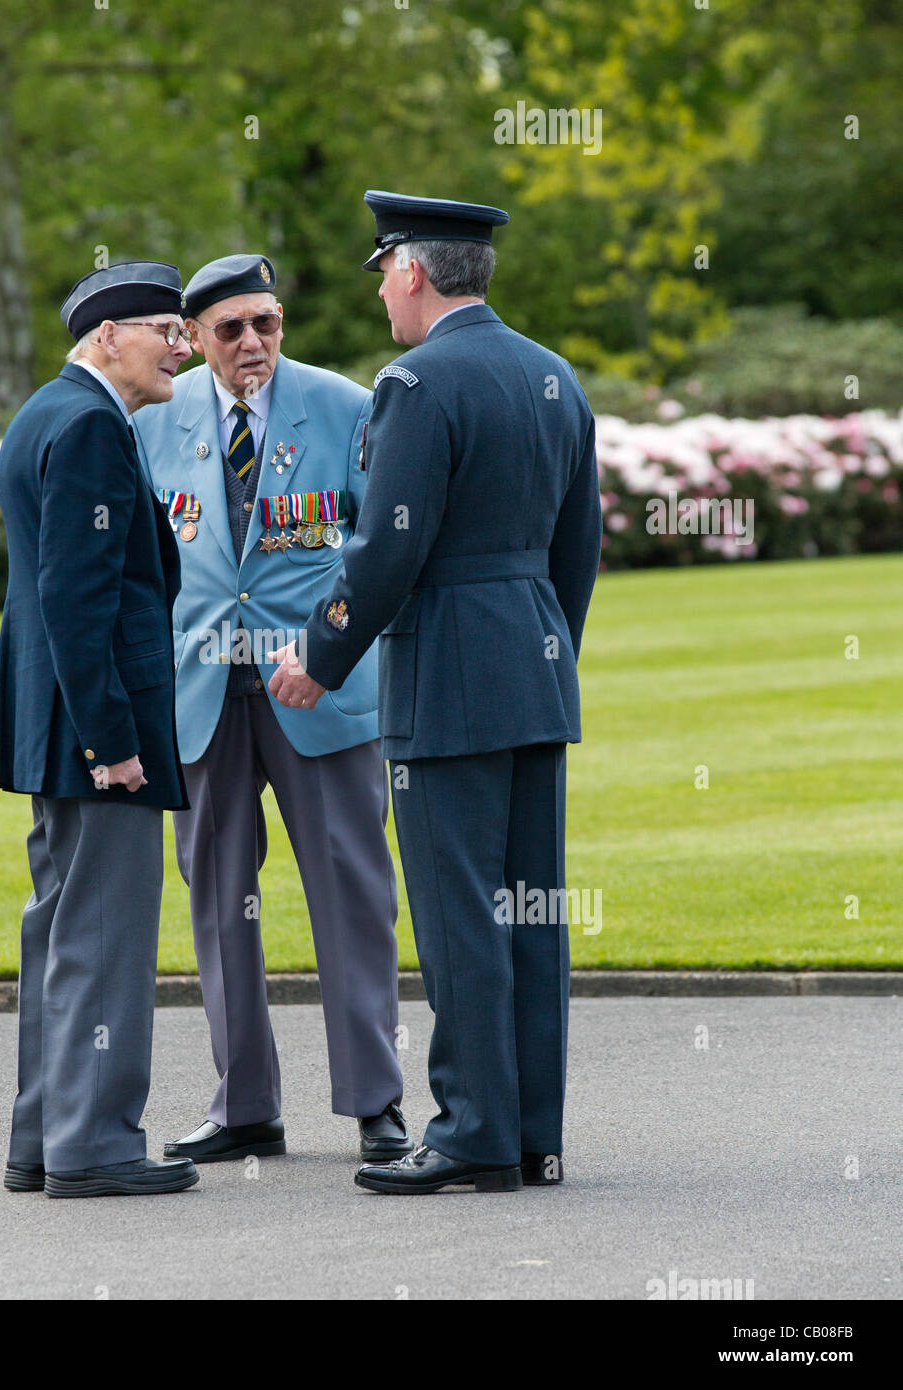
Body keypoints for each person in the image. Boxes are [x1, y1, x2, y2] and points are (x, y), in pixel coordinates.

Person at [270, 192, 602, 1194]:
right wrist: (545, 649)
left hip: (449, 682)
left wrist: (321, 654)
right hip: (532, 672)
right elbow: (575, 548)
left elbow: (387, 546)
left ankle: (469, 1134)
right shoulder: (554, 375)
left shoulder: (414, 382)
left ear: (412, 269)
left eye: (381, 268)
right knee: (529, 911)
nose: (378, 287)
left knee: (459, 914)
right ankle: (529, 1133)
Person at [132, 254, 411, 1165]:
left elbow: (379, 552)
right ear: (192, 339)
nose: (253, 343)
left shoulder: (344, 405)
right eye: (230, 330)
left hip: (316, 692)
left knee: (353, 893)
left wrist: (333, 653)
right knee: (218, 902)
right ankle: (243, 1101)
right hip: (203, 692)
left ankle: (375, 1101)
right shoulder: (155, 419)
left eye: (267, 323)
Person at [0, 260, 200, 1198]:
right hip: (96, 734)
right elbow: (79, 602)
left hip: (59, 727)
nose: (183, 349)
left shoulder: (52, 412)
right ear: (107, 336)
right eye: (167, 329)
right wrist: (114, 743)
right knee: (103, 940)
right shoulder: (87, 428)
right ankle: (95, 1146)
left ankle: (45, 1139)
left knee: (64, 936)